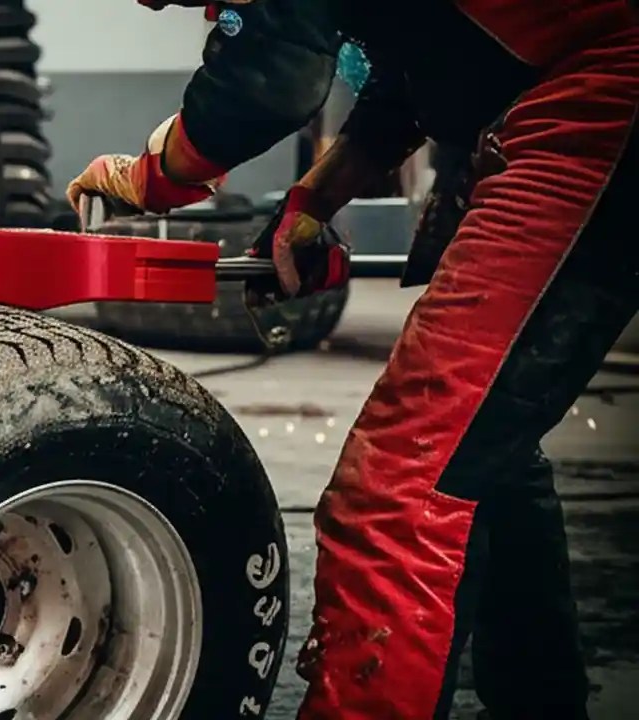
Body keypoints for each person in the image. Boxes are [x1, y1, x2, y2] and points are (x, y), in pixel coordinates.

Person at [67, 1, 639, 718]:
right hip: (555, 90)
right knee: (486, 451)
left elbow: (267, 83)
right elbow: (416, 78)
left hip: (602, 95)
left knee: (399, 490)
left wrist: (155, 177)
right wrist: (314, 199)